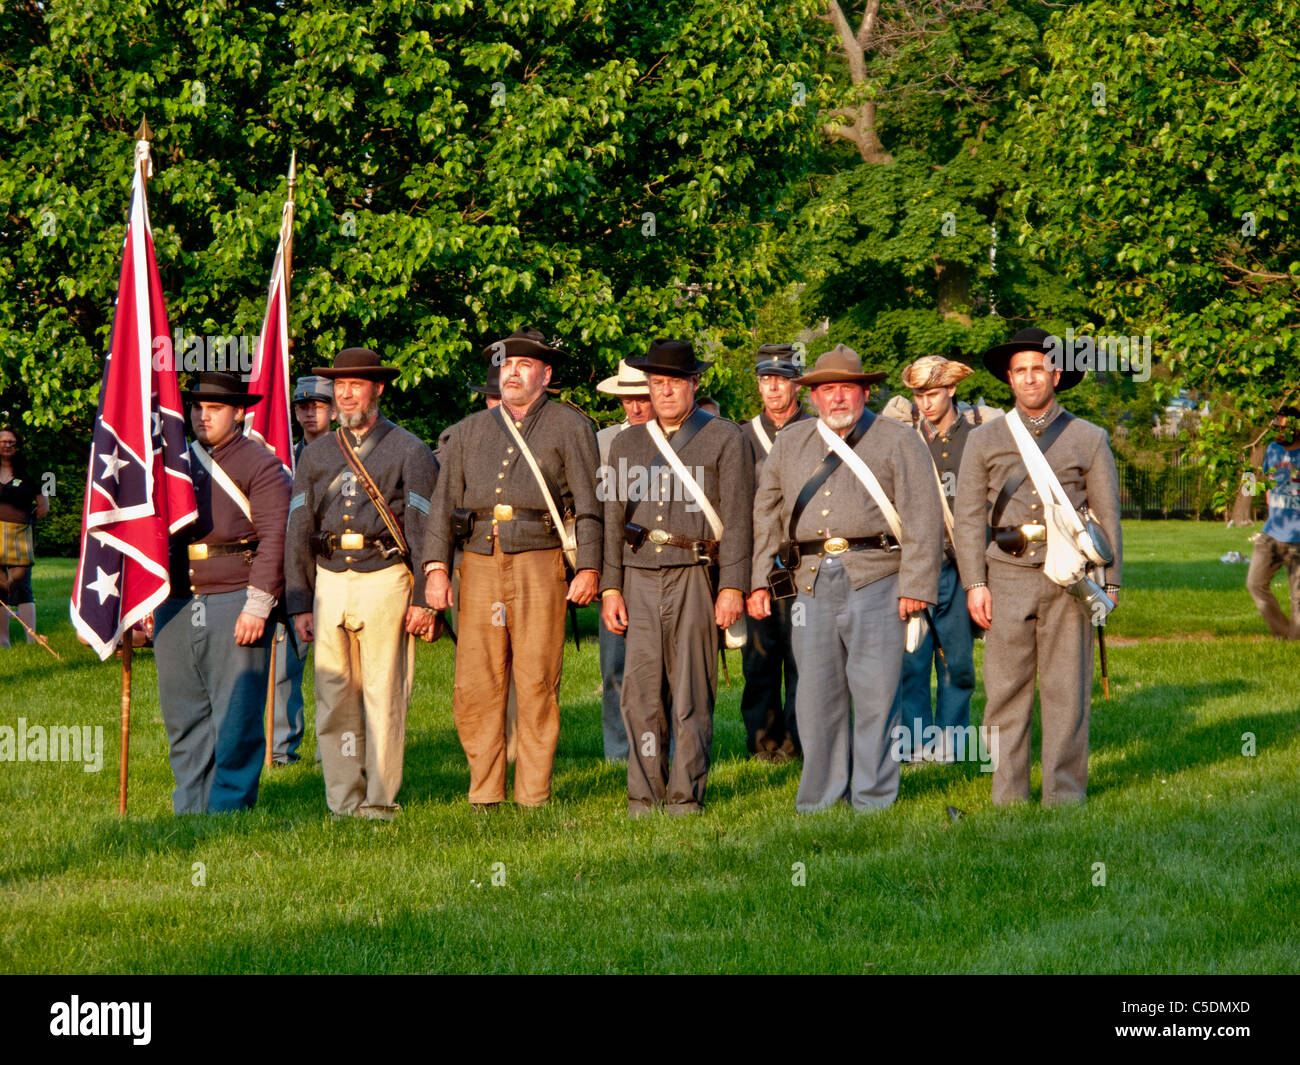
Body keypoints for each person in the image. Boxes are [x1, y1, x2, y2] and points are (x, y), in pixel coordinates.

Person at [749, 345, 942, 812]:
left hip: (878, 578)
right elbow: (767, 514)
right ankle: (819, 797)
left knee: (876, 694)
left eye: (847, 389)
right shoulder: (791, 444)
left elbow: (924, 516)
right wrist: (757, 579)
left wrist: (916, 586)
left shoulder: (899, 440)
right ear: (812, 396)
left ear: (866, 392)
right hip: (809, 581)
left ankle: (873, 797)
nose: (837, 399)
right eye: (827, 389)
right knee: (815, 698)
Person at [425, 328, 601, 809]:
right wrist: (437, 569)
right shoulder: (465, 432)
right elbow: (442, 507)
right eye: (506, 366)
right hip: (478, 563)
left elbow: (589, 505)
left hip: (541, 562)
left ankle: (532, 793)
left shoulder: (570, 427)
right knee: (476, 682)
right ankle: (484, 790)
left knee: (537, 679)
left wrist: (589, 567)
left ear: (545, 375)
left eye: (524, 366)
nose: (513, 373)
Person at [954, 326, 1122, 807]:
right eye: (1020, 370)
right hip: (1004, 575)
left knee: (1067, 689)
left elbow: (1107, 517)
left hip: (1070, 579)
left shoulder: (1089, 438)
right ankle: (1007, 793)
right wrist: (975, 583)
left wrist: (1110, 584)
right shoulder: (986, 438)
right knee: (1005, 690)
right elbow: (967, 516)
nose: (1030, 378)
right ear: (1009, 378)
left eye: (1039, 368)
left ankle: (1064, 794)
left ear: (1057, 372)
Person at [600, 339, 753, 817]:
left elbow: (741, 519)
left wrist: (732, 585)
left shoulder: (725, 437)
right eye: (656, 383)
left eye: (674, 383)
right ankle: (644, 797)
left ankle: (686, 796)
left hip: (695, 574)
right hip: (639, 574)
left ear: (693, 384)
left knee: (691, 691)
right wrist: (609, 586)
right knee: (640, 693)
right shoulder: (627, 442)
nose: (664, 392)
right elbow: (610, 520)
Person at [285, 348, 440, 820]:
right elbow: (298, 527)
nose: (346, 393)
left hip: (386, 577)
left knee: (383, 693)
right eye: (340, 386)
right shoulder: (315, 454)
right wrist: (299, 601)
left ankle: (379, 801)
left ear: (378, 389)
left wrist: (423, 600)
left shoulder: (410, 450)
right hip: (330, 579)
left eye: (357, 385)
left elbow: (424, 529)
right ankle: (342, 801)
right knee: (334, 698)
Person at [152, 373, 290, 813]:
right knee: (183, 715)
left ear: (238, 413)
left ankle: (229, 809)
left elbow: (276, 537)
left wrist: (258, 604)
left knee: (236, 717)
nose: (202, 415)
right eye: (196, 407)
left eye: (214, 408)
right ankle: (190, 807)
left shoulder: (260, 464)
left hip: (235, 596)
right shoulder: (171, 461)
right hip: (175, 601)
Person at [881, 355, 1000, 762]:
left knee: (958, 662)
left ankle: (951, 744)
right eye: (918, 395)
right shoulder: (901, 435)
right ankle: (914, 747)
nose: (925, 402)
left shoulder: (982, 434)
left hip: (963, 561)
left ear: (952, 390)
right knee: (912, 661)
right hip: (912, 562)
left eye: (932, 393)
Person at [736, 344, 810, 762]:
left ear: (797, 383)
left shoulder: (817, 431)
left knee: (805, 657)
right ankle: (764, 744)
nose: (773, 388)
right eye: (766, 380)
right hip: (759, 562)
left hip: (807, 561)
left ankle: (800, 742)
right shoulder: (742, 436)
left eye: (781, 379)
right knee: (760, 659)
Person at [270, 375, 335, 765]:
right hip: (291, 571)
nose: (310, 413)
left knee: (336, 670)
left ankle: (335, 747)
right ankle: (281, 749)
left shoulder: (347, 451)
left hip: (334, 567)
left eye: (318, 405)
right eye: (302, 406)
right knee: (284, 669)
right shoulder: (281, 455)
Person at [593, 359, 653, 761]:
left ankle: (658, 746)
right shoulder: (601, 443)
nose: (635, 407)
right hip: (615, 561)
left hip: (665, 561)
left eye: (642, 398)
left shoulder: (682, 439)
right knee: (615, 665)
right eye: (627, 399)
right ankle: (618, 751)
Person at [1247, 406, 1300, 639]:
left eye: (1284, 427)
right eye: (1276, 426)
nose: (1279, 431)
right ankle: (1283, 633)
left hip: (1298, 540)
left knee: (1298, 599)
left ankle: (1295, 643)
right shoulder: (1272, 450)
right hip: (1272, 533)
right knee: (1255, 584)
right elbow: (1267, 484)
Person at [0, 426, 50, 648]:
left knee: (22, 587)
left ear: (17, 445)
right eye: (3, 441)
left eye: (11, 441)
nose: (7, 445)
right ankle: (3, 641)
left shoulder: (29, 470)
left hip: (21, 535)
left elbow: (43, 506)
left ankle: (32, 639)